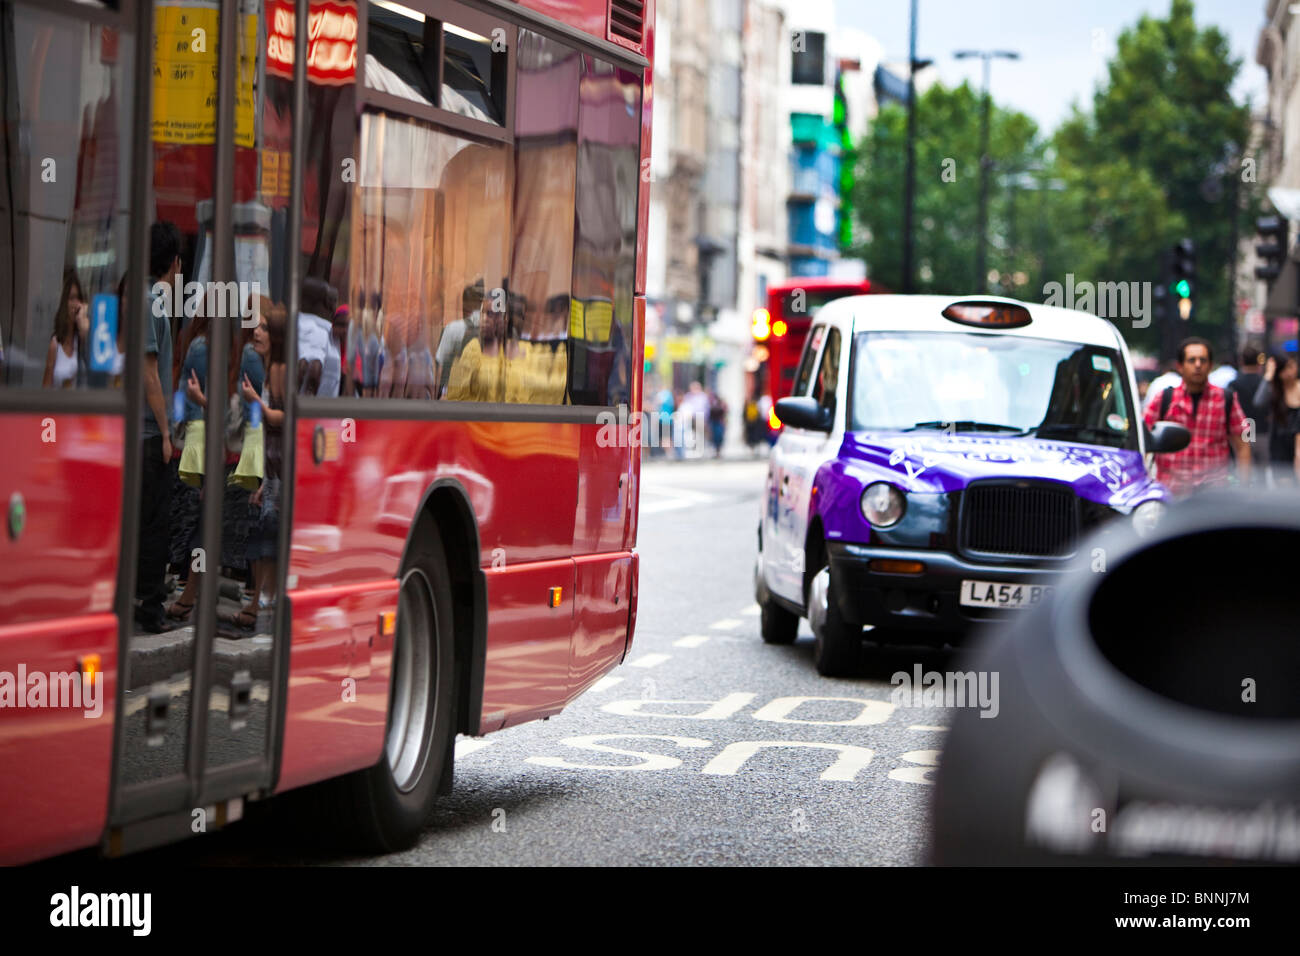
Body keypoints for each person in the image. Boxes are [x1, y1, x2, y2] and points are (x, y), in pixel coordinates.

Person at [136, 223, 180, 633]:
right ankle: (150, 608)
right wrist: (166, 433)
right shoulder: (153, 302)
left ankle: (140, 600)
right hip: (149, 435)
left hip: (143, 433)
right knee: (155, 524)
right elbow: (151, 372)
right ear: (175, 263)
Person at [1142, 337, 1251, 496]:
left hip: (1214, 495)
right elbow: (1142, 439)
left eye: (1203, 360)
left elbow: (1243, 444)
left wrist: (1244, 488)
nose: (1198, 365)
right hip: (1171, 492)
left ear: (1210, 366)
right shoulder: (1165, 399)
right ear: (1180, 366)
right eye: (1192, 360)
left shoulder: (1226, 399)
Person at [237, 307, 286, 626]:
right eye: (256, 327)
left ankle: (260, 603)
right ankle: (260, 601)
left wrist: (256, 400)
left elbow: (285, 417)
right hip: (273, 470)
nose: (256, 332)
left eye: (264, 328)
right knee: (266, 534)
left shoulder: (280, 370)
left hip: (281, 468)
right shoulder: (270, 370)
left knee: (268, 536)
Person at [1252, 353, 1300, 485]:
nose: (1290, 372)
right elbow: (1259, 402)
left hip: (1298, 446)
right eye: (1284, 369)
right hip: (1280, 448)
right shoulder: (1275, 391)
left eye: (1291, 366)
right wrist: (1268, 374)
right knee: (1285, 488)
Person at [42, 270, 89, 388]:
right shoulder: (55, 344)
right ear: (64, 303)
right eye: (72, 298)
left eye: (79, 298)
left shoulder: (82, 340)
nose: (76, 303)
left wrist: (83, 324)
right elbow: (46, 388)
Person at [1229, 345, 1268, 480]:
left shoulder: (1234, 384)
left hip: (1243, 432)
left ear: (1241, 361)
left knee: (1243, 471)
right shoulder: (1264, 383)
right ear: (1258, 362)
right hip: (1263, 431)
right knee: (1262, 473)